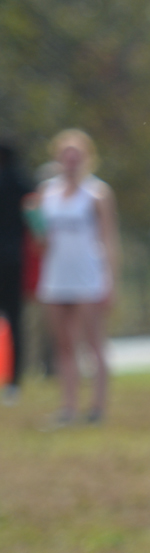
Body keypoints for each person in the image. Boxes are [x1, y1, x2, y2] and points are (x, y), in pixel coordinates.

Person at [27, 129, 119, 426]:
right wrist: (34, 222)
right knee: (63, 344)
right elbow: (41, 243)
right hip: (56, 275)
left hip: (87, 275)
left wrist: (110, 281)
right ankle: (68, 407)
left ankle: (97, 407)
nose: (70, 161)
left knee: (92, 344)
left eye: (76, 156)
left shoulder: (97, 194)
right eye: (65, 156)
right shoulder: (47, 193)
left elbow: (109, 239)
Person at [0, 142, 36, 404]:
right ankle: (14, 382)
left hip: (9, 259)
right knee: (16, 322)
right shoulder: (21, 182)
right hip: (14, 259)